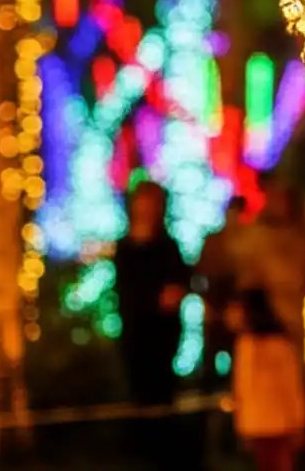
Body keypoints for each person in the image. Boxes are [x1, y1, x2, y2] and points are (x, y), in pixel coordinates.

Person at [226, 181, 305, 471]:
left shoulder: (295, 245)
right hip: (264, 343)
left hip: (283, 337)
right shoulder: (254, 242)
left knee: (281, 445)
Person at [113, 181, 190, 469]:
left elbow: (181, 279)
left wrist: (175, 293)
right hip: (137, 334)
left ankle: (164, 454)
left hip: (164, 336)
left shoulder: (168, 246)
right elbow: (128, 290)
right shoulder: (126, 248)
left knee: (163, 396)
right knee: (140, 394)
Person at [196, 195, 247, 391]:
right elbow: (199, 276)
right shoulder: (213, 242)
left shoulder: (247, 243)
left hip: (237, 311)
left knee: (238, 365)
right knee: (210, 363)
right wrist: (207, 304)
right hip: (214, 306)